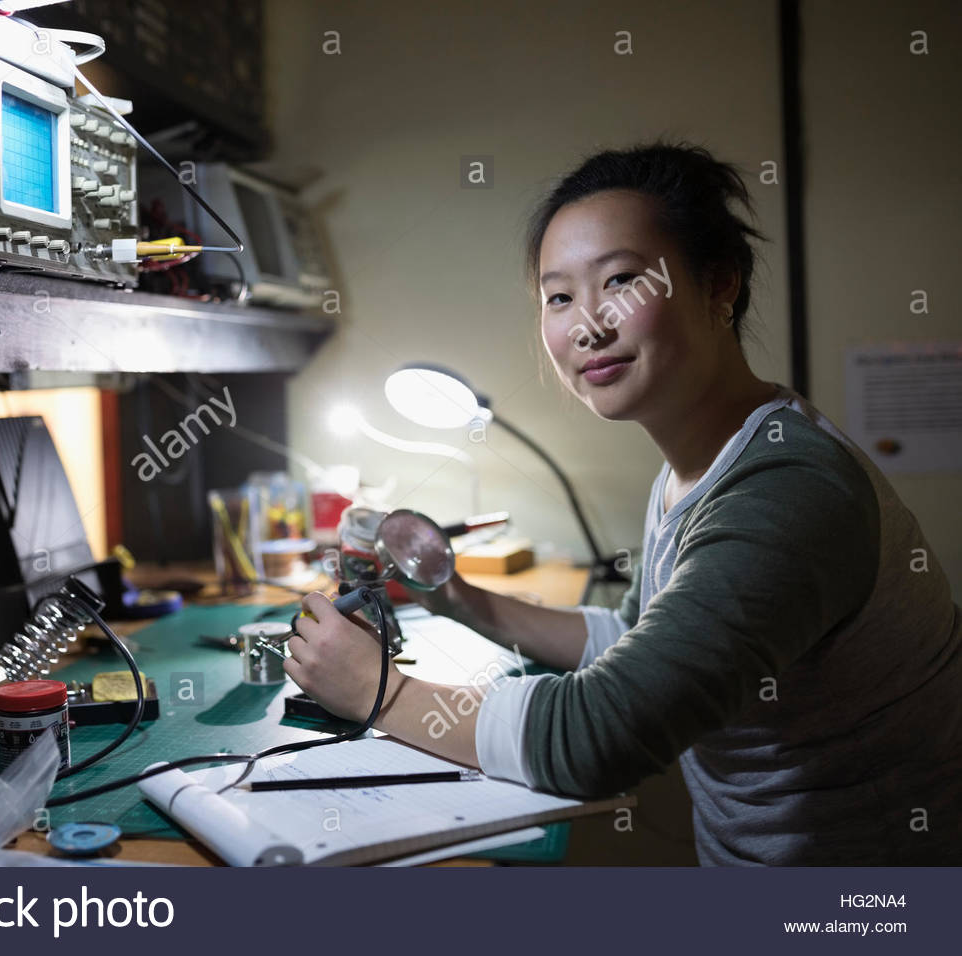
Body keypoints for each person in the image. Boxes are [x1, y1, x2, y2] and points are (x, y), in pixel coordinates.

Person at [283, 142, 962, 866]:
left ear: (719, 284)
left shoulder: (787, 491)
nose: (587, 325)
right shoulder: (701, 465)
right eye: (559, 296)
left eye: (623, 281)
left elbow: (598, 736)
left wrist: (375, 690)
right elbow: (636, 638)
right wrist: (456, 596)